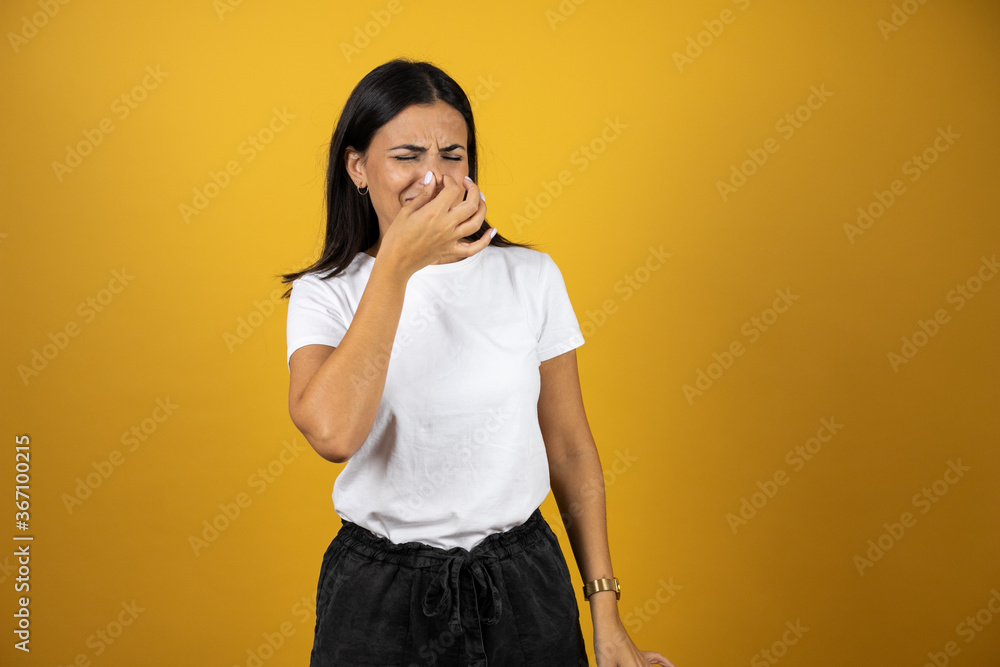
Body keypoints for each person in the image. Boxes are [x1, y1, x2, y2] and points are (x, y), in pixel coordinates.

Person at [281, 58, 673, 666]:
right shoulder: (326, 293)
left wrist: (607, 614)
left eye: (453, 156)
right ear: (357, 167)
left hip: (521, 584)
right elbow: (333, 433)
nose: (433, 178)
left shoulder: (530, 277)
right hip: (378, 597)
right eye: (407, 156)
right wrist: (397, 266)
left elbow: (569, 447)